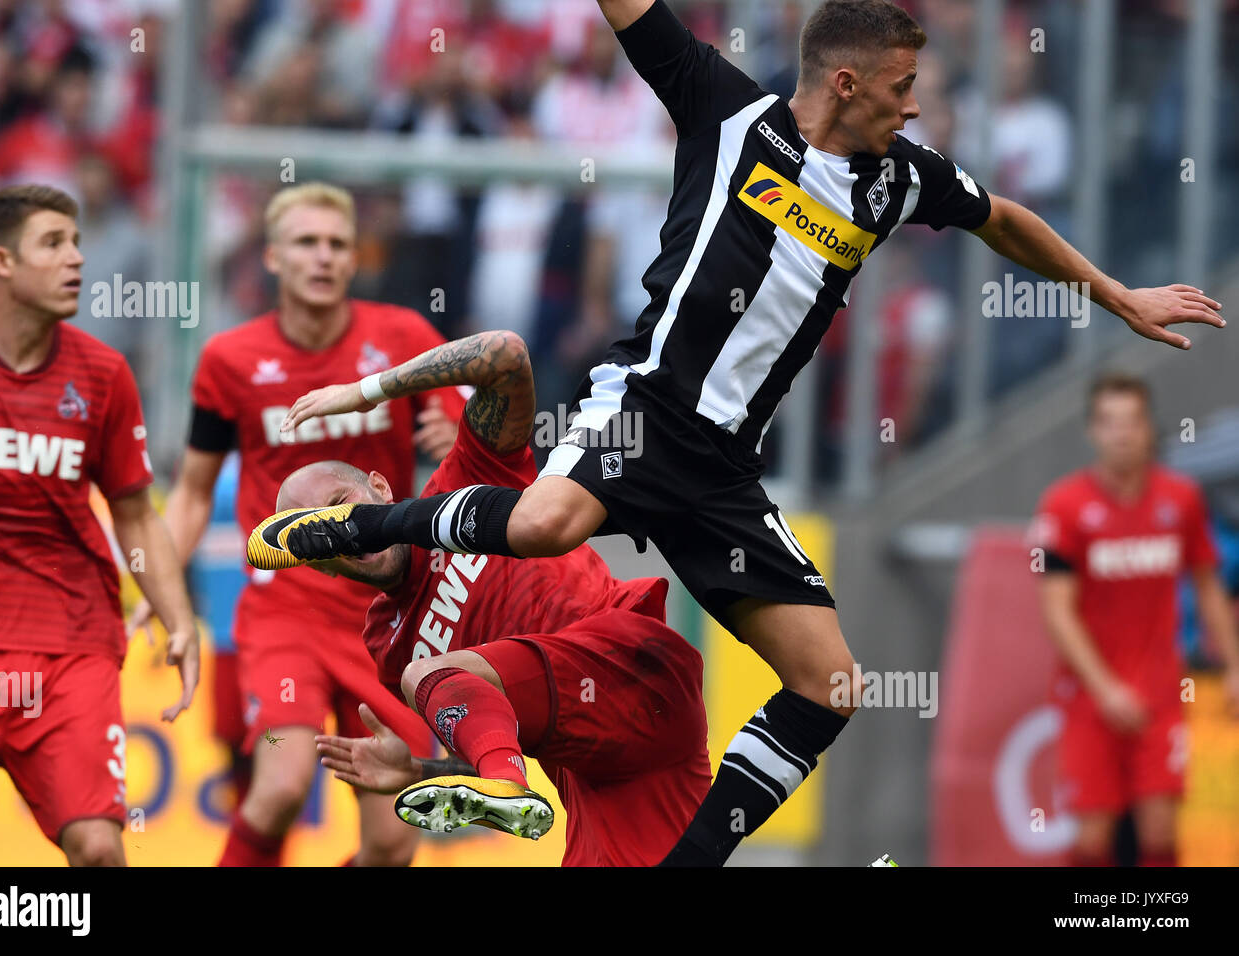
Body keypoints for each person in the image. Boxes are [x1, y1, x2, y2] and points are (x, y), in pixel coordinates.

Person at [265, 0, 1225, 867]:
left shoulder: (898, 179)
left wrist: (1114, 293)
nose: (916, 107)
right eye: (902, 88)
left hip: (723, 468)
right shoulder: (728, 113)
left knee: (831, 684)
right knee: (546, 524)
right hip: (646, 412)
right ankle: (359, 529)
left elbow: (1003, 220)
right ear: (844, 82)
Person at [250, 330, 710, 866]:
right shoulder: (387, 647)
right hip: (601, 772)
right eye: (319, 537)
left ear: (379, 486)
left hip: (631, 668)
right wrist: (416, 774)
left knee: (426, 677)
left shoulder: (466, 477)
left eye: (340, 507)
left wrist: (367, 390)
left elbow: (506, 354)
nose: (343, 533)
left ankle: (508, 787)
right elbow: (490, 739)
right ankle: (507, 787)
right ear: (323, 569)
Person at [129, 182, 467, 867]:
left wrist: (457, 433)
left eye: (338, 244)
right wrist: (159, 590)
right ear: (274, 257)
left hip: (392, 615)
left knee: (394, 843)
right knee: (281, 786)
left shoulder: (401, 337)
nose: (323, 256)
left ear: (355, 258)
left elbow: (490, 430)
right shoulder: (230, 360)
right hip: (284, 609)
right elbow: (192, 492)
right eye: (307, 243)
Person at [0, 185, 198, 865]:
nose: (77, 259)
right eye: (54, 244)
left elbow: (136, 515)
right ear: (1, 261)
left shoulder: (105, 374)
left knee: (99, 850)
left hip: (69, 650)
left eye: (78, 242)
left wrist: (178, 620)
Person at [1033, 373, 1239, 867]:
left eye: (1132, 421)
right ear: (1091, 432)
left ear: (1150, 429)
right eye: (1109, 422)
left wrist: (1232, 664)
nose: (1121, 433)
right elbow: (1057, 611)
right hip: (1088, 697)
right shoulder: (1064, 508)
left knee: (1161, 831)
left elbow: (1208, 585)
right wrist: (1105, 689)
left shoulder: (1181, 499)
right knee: (1092, 835)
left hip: (1162, 691)